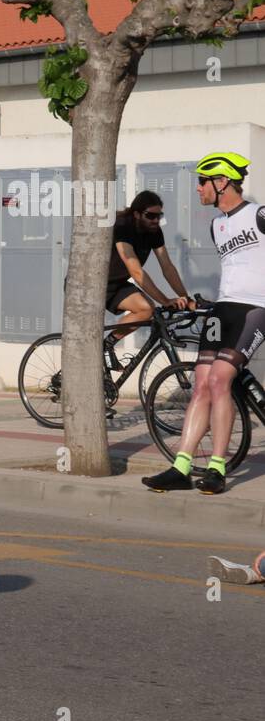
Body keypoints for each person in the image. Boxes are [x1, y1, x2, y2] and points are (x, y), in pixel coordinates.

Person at [143, 151, 265, 495]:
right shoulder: (217, 225)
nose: (198, 189)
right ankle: (181, 465)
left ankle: (217, 468)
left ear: (222, 181)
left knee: (221, 379)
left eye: (202, 181)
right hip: (222, 309)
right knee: (200, 384)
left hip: (255, 309)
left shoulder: (259, 215)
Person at [99, 191, 192, 371]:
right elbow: (135, 270)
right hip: (93, 286)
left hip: (116, 285)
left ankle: (107, 345)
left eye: (159, 216)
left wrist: (184, 297)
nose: (156, 220)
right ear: (136, 214)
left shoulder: (154, 232)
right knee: (87, 340)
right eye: (150, 216)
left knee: (146, 309)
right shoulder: (123, 226)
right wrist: (165, 300)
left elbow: (167, 267)